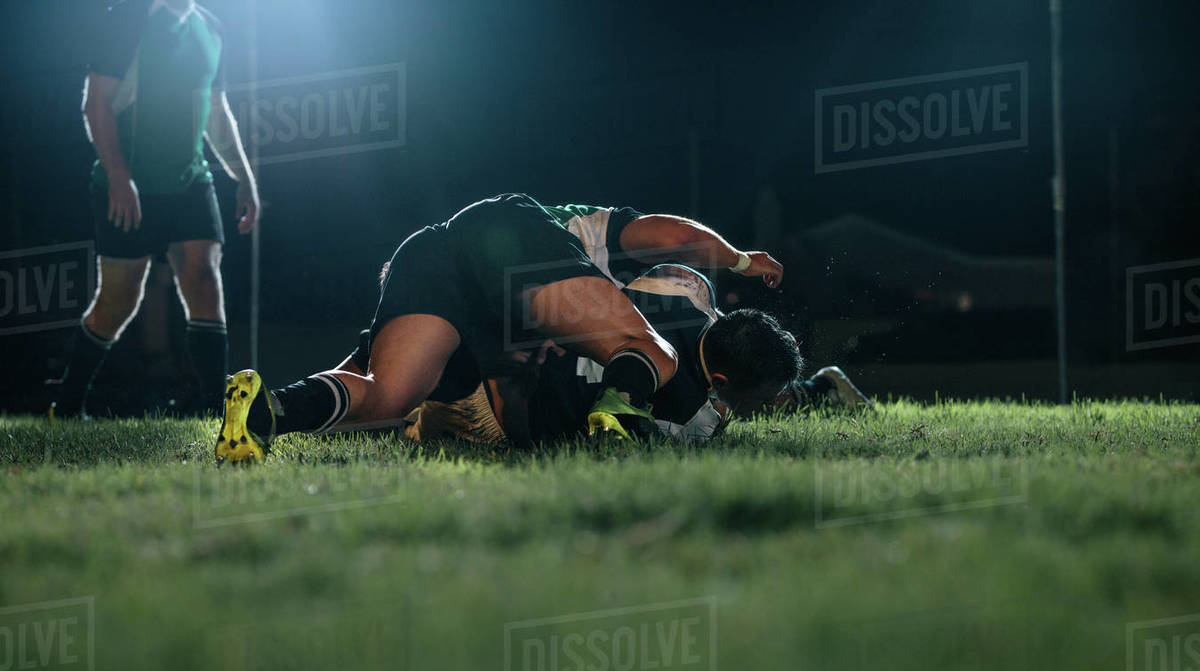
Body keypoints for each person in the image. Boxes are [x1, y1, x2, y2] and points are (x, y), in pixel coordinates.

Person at [213, 193, 787, 463]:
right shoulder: (679, 298)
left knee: (389, 395)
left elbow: (668, 239)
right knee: (647, 350)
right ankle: (618, 418)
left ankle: (271, 411)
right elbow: (664, 240)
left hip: (437, 253)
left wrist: (739, 258)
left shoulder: (677, 285)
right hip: (512, 244)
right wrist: (738, 259)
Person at [370, 264, 869, 449]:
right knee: (400, 419)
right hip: (495, 413)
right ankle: (820, 390)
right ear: (717, 379)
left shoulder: (684, 286)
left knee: (389, 379)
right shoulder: (695, 418)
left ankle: (819, 388)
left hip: (498, 339)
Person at [51, 0, 260, 419]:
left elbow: (216, 113)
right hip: (130, 184)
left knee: (204, 278)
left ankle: (214, 415)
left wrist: (244, 179)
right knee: (118, 301)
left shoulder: (211, 27)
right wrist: (117, 175)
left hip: (190, 181)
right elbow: (96, 104)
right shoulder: (126, 19)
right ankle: (68, 405)